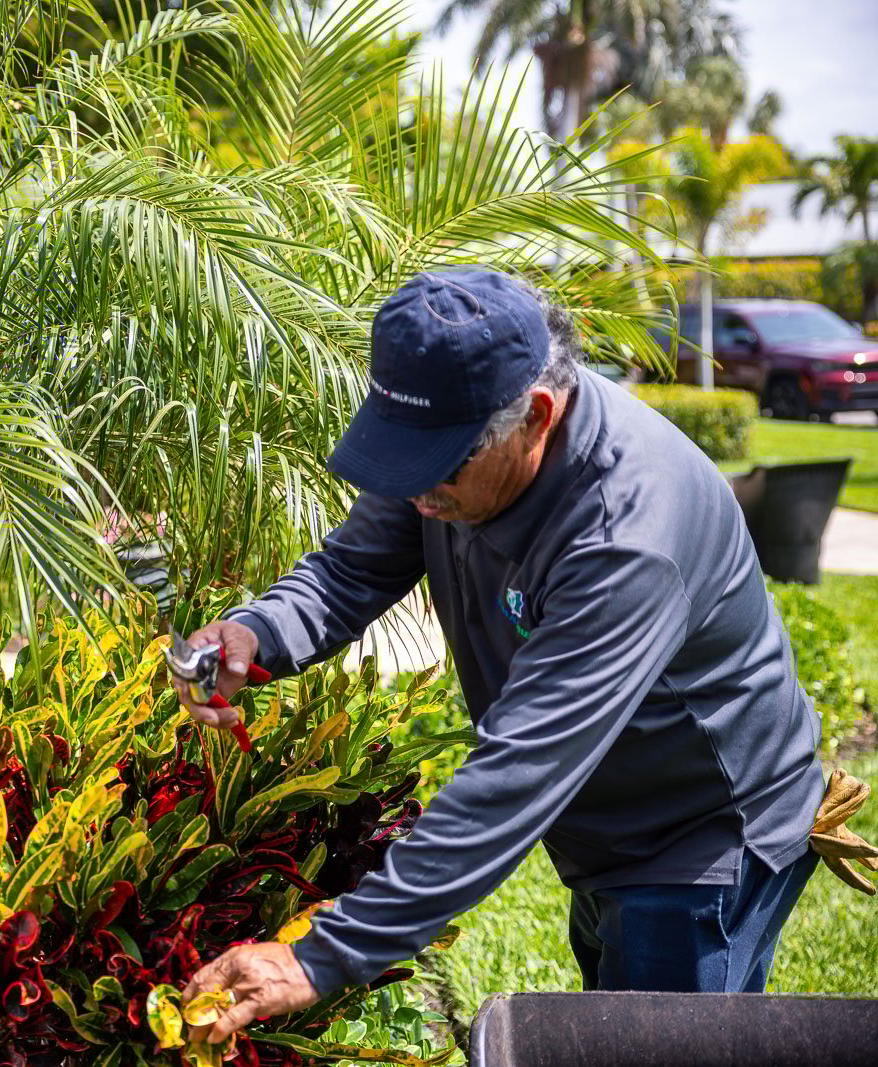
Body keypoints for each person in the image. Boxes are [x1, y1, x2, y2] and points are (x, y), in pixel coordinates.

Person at [174, 269, 834, 1043]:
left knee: (663, 1044)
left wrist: (318, 959)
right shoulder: (453, 430)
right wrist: (259, 632)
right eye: (400, 458)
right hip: (607, 820)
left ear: (538, 417)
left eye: (440, 467)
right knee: (615, 1024)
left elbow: (518, 772)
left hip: (699, 839)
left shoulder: (627, 537)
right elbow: (354, 566)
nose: (417, 492)